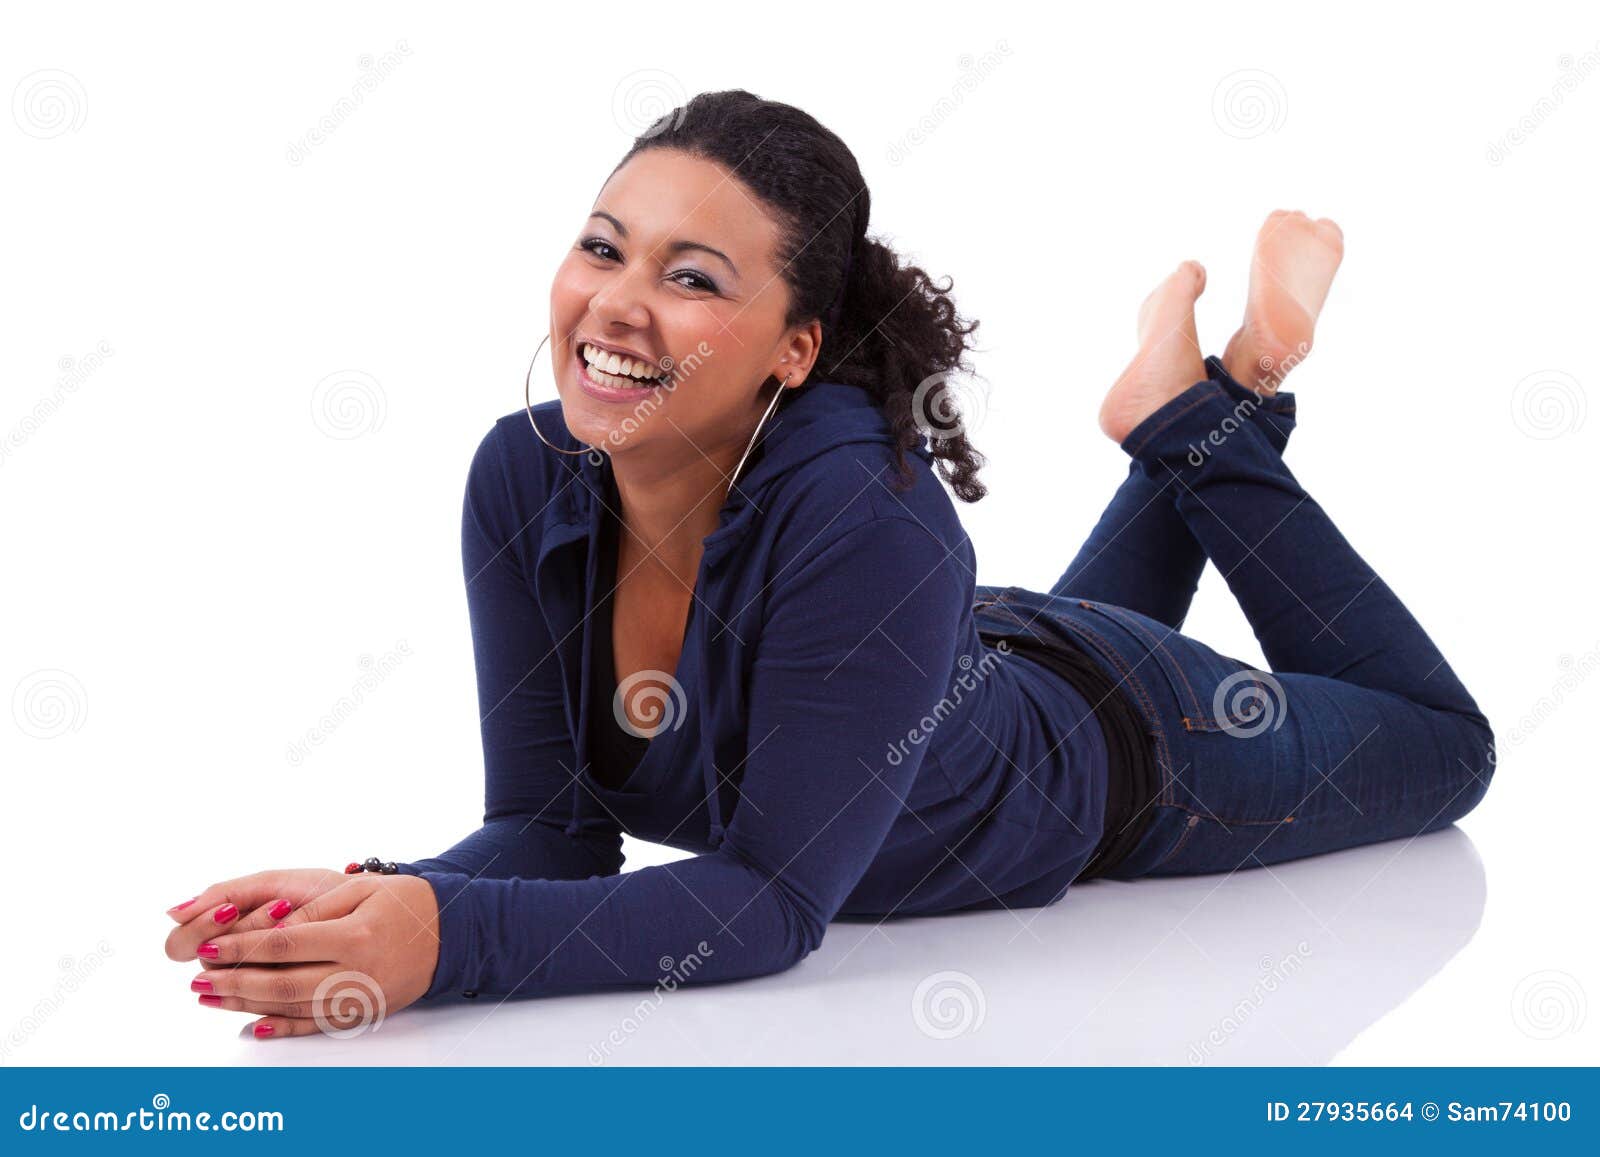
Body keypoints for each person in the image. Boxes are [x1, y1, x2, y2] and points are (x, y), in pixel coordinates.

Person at [162, 91, 1494, 1039]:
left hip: (1139, 753)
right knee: (994, 670)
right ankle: (1219, 391)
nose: (615, 303)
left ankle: (1198, 415)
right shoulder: (524, 476)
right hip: (957, 671)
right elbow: (551, 830)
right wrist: (382, 901)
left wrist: (445, 945)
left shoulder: (871, 527)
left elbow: (774, 902)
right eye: (603, 246)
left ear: (794, 348)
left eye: (692, 278)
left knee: (1447, 747)